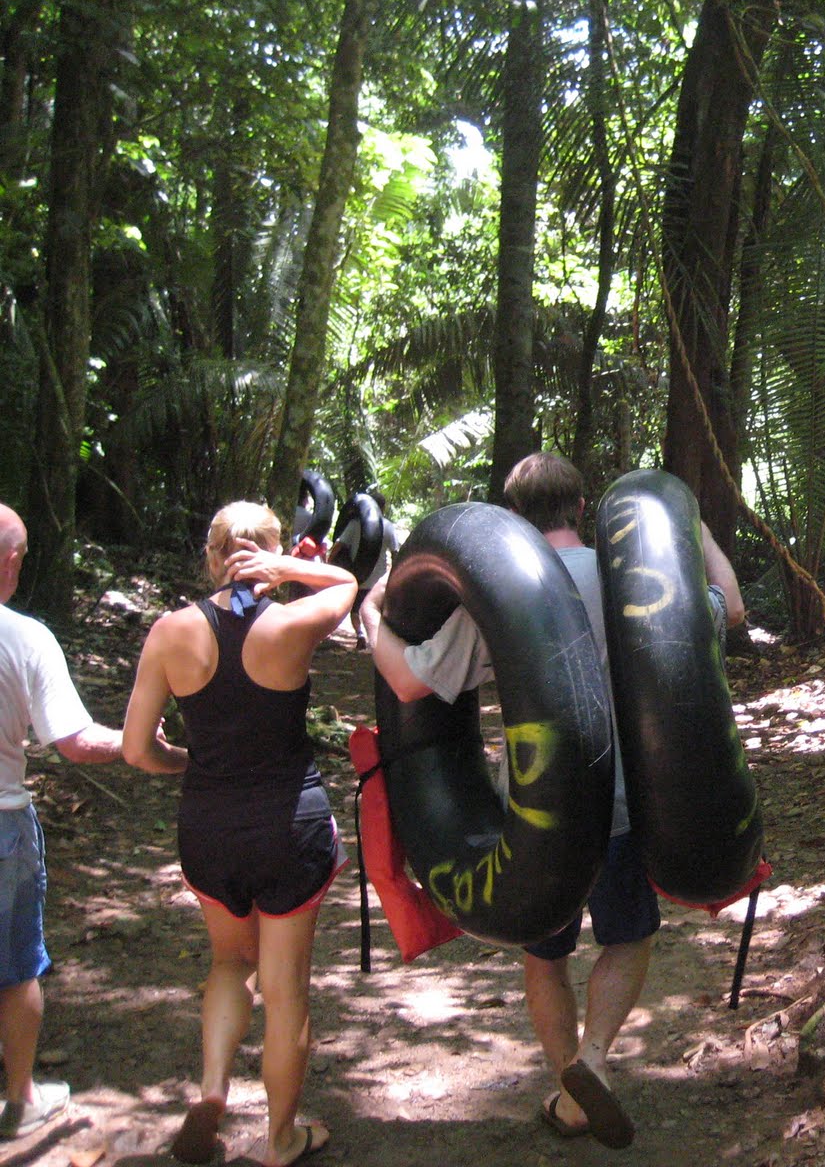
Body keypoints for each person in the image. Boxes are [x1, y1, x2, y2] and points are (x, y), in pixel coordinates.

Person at [359, 453, 744, 1150]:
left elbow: (414, 683)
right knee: (629, 936)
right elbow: (729, 605)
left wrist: (369, 614)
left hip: (536, 805)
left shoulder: (498, 595)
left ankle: (567, 1081)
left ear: (510, 515)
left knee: (544, 951)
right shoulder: (634, 580)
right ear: (582, 505)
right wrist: (695, 526)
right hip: (630, 794)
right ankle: (593, 1059)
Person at [123, 502, 356, 1167]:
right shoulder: (289, 622)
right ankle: (281, 1139)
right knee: (286, 988)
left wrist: (184, 761)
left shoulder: (170, 632)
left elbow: (138, 750)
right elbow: (346, 584)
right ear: (271, 554)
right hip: (291, 823)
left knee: (231, 962)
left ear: (211, 557)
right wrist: (287, 569)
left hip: (209, 821)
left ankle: (215, 1087)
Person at [0, 505, 183, 1140]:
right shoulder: (23, 639)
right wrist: (147, 747)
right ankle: (22, 1101)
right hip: (2, 825)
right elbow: (74, 742)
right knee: (16, 965)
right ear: (13, 561)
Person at [328, 488, 400, 651]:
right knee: (377, 609)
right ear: (383, 507)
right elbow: (395, 552)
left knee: (355, 609)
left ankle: (360, 634)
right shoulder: (388, 526)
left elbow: (339, 545)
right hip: (378, 579)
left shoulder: (355, 524)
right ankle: (377, 639)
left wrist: (330, 561)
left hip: (358, 575)